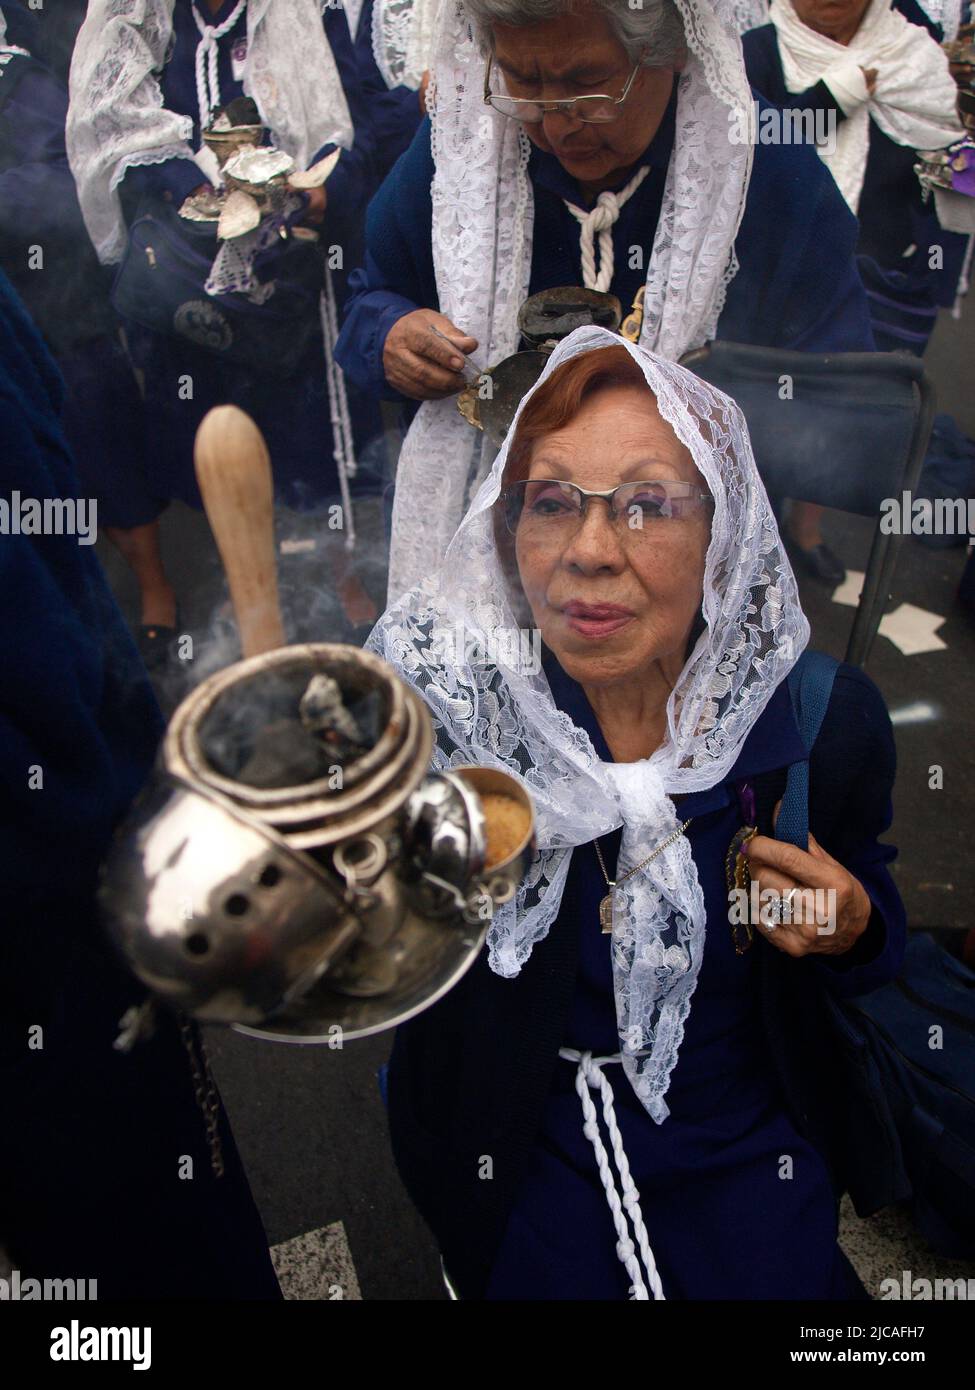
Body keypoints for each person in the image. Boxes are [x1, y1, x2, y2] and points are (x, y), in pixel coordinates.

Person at [367, 328, 907, 1300]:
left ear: (722, 534)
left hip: (743, 1140)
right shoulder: (467, 725)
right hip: (521, 1145)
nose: (587, 552)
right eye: (550, 503)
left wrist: (852, 926)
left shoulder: (819, 724)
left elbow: (875, 929)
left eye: (648, 506)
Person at [337, 0, 877, 601]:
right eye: (524, 82)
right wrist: (391, 335)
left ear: (672, 51)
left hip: (681, 569)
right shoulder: (464, 146)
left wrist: (711, 410)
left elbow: (844, 405)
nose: (555, 126)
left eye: (586, 84)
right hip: (485, 550)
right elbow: (371, 299)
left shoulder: (767, 172)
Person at [0, 267, 280, 1299]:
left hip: (86, 859)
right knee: (128, 1250)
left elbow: (58, 568)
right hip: (44, 919)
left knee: (168, 1187)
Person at [66, 0, 417, 635]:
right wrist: (194, 189)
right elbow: (114, 131)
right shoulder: (142, 23)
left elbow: (354, 127)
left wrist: (323, 192)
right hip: (190, 278)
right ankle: (248, 584)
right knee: (217, 434)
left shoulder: (302, 13)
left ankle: (340, 575)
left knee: (308, 435)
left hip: (293, 275)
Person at [0, 2, 174, 667]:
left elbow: (57, 183)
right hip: (11, 327)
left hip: (60, 306)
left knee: (104, 447)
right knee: (34, 484)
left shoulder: (21, 82)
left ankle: (156, 590)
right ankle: (80, 612)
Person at [743, 0, 966, 354]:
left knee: (876, 387)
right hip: (777, 290)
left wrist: (925, 271)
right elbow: (746, 152)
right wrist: (830, 100)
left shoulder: (913, 54)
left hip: (888, 295)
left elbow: (947, 166)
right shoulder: (755, 53)